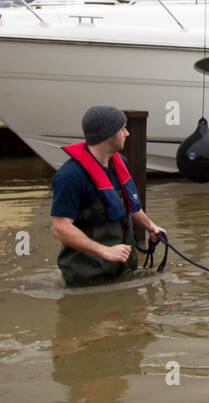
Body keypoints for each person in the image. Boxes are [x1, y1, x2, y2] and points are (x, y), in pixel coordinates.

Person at [50, 105, 164, 287]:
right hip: (87, 278)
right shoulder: (70, 176)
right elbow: (60, 228)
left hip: (123, 270)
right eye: (122, 129)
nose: (127, 133)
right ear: (109, 134)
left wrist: (151, 227)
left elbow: (130, 206)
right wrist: (104, 251)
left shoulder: (119, 164)